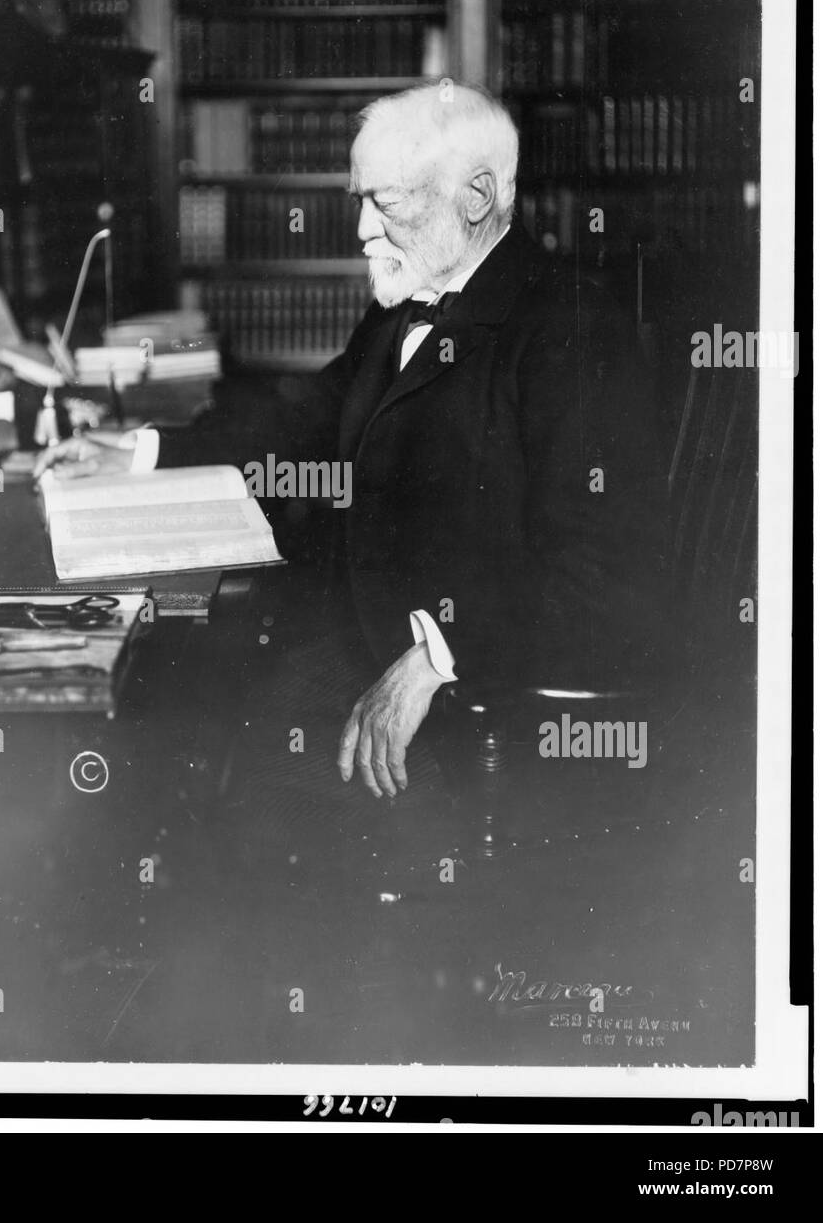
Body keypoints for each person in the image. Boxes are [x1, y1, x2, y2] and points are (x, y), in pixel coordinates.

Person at [34, 83, 668, 813]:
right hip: (364, 632)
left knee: (220, 795)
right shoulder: (408, 298)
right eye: (359, 199)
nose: (362, 229)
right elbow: (301, 420)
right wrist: (142, 451)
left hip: (483, 693)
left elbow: (605, 575)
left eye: (385, 203)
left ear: (475, 196)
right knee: (187, 749)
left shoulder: (573, 327)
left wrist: (437, 659)